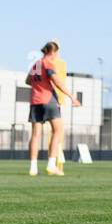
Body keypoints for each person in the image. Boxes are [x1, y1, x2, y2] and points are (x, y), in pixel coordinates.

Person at [26, 41, 80, 176]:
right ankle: (51, 165)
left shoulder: (36, 64)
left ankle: (33, 168)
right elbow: (56, 80)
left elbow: (27, 80)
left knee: (35, 135)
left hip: (35, 101)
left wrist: (38, 85)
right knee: (58, 131)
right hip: (48, 100)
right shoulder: (48, 63)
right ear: (53, 52)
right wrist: (71, 96)